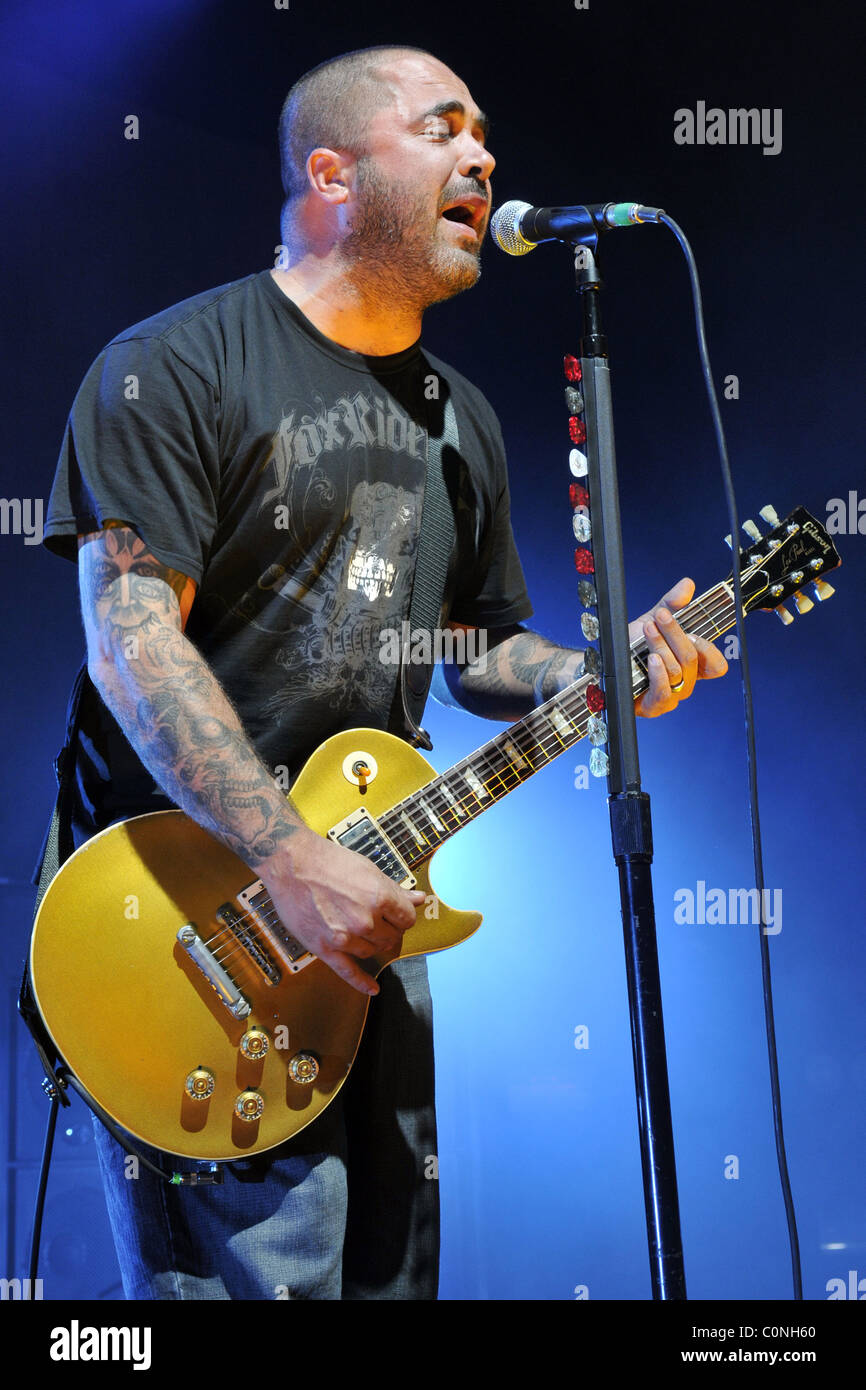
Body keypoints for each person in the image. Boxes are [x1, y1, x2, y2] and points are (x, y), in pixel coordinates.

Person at [41, 45, 728, 1300]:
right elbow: (131, 640)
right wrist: (287, 859)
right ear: (333, 173)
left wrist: (599, 670)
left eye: (488, 139)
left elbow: (474, 653)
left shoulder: (459, 416)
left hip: (365, 915)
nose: (484, 158)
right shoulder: (172, 367)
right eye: (445, 128)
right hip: (192, 930)